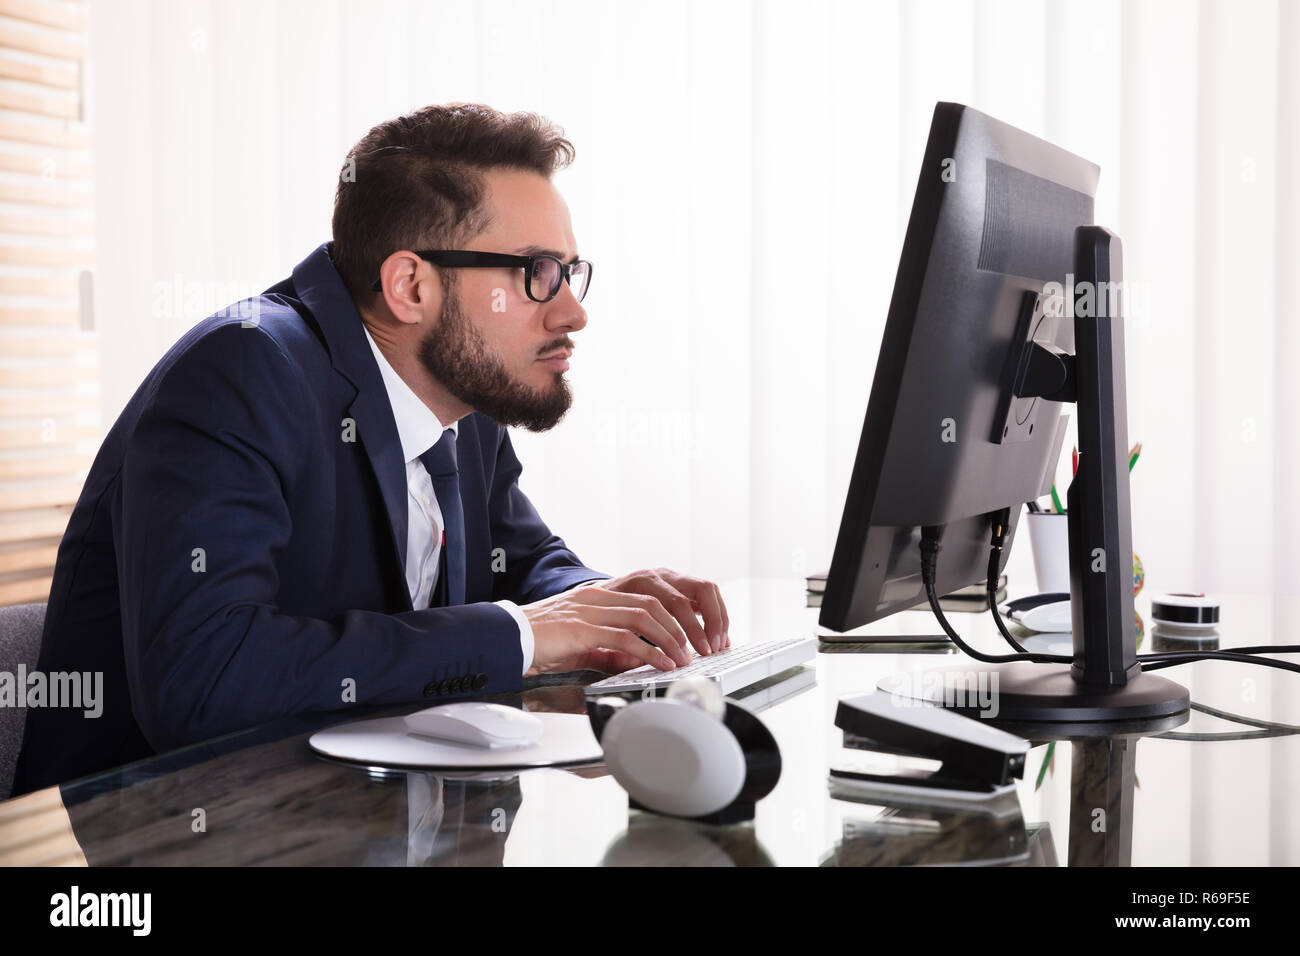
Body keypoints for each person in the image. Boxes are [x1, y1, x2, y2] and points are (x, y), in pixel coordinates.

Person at [12, 104, 728, 796]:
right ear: (410, 285)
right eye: (538, 272)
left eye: (571, 272)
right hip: (163, 842)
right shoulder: (242, 372)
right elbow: (204, 681)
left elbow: (522, 561)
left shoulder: (461, 390)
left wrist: (611, 613)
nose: (573, 310)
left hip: (369, 815)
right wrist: (524, 635)